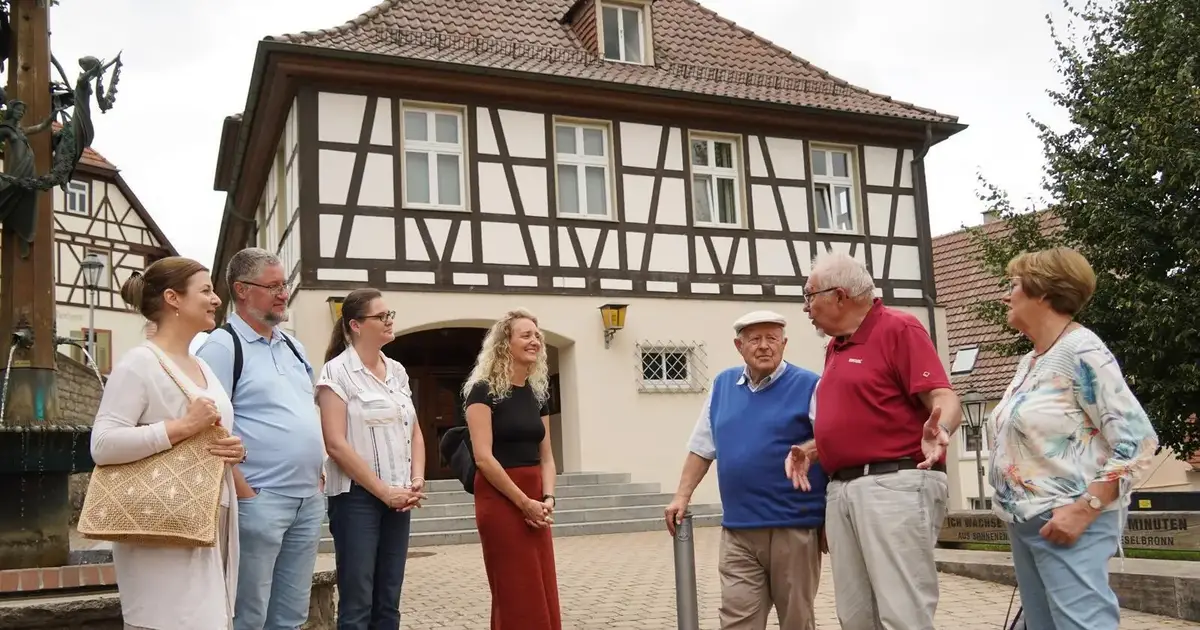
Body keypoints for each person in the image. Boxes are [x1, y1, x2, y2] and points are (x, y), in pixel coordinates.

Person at [785, 250, 962, 630]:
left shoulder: (899, 328)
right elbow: (865, 417)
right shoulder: (837, 345)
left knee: (902, 612)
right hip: (844, 489)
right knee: (855, 615)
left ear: (839, 296)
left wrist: (941, 429)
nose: (805, 308)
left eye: (809, 295)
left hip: (893, 483)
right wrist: (814, 450)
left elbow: (944, 397)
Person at [987, 247, 1157, 630]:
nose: (1005, 295)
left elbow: (1138, 442)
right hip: (1027, 522)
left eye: (1013, 285)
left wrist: (1084, 510)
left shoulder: (1082, 351)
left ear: (1043, 292)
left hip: (1068, 521)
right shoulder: (1030, 361)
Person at [91, 257, 246, 630]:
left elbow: (211, 433)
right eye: (206, 290)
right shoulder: (139, 364)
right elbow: (103, 444)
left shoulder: (202, 366)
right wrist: (181, 426)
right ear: (173, 298)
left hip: (210, 515)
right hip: (160, 526)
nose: (216, 300)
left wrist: (236, 451)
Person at [665, 310, 826, 630]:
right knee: (737, 621)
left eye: (772, 338)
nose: (764, 346)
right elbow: (701, 447)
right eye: (755, 339)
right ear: (739, 346)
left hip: (793, 527)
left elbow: (833, 441)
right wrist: (681, 496)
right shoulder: (723, 385)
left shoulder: (810, 385)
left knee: (796, 620)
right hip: (738, 529)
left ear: (784, 343)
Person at [196, 248, 325, 630]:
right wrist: (244, 491)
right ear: (242, 290)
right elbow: (207, 427)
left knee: (290, 616)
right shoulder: (221, 347)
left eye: (284, 284)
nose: (283, 293)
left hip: (307, 501)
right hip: (259, 500)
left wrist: (316, 479)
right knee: (248, 615)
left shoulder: (293, 346)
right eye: (272, 286)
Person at [315, 288, 428, 629]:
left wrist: (416, 478)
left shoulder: (397, 370)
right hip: (357, 500)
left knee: (388, 600)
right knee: (358, 602)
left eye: (389, 314)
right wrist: (383, 491)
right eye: (381, 316)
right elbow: (335, 444)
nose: (389, 320)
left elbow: (415, 431)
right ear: (356, 325)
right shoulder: (336, 373)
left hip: (399, 497)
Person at [462, 308, 561, 630]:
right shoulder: (482, 391)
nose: (535, 341)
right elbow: (483, 458)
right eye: (526, 335)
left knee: (540, 584)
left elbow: (547, 456)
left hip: (536, 499)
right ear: (505, 344)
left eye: (537, 335)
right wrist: (524, 503)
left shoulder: (537, 393)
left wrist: (547, 498)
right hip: (500, 498)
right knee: (516, 589)